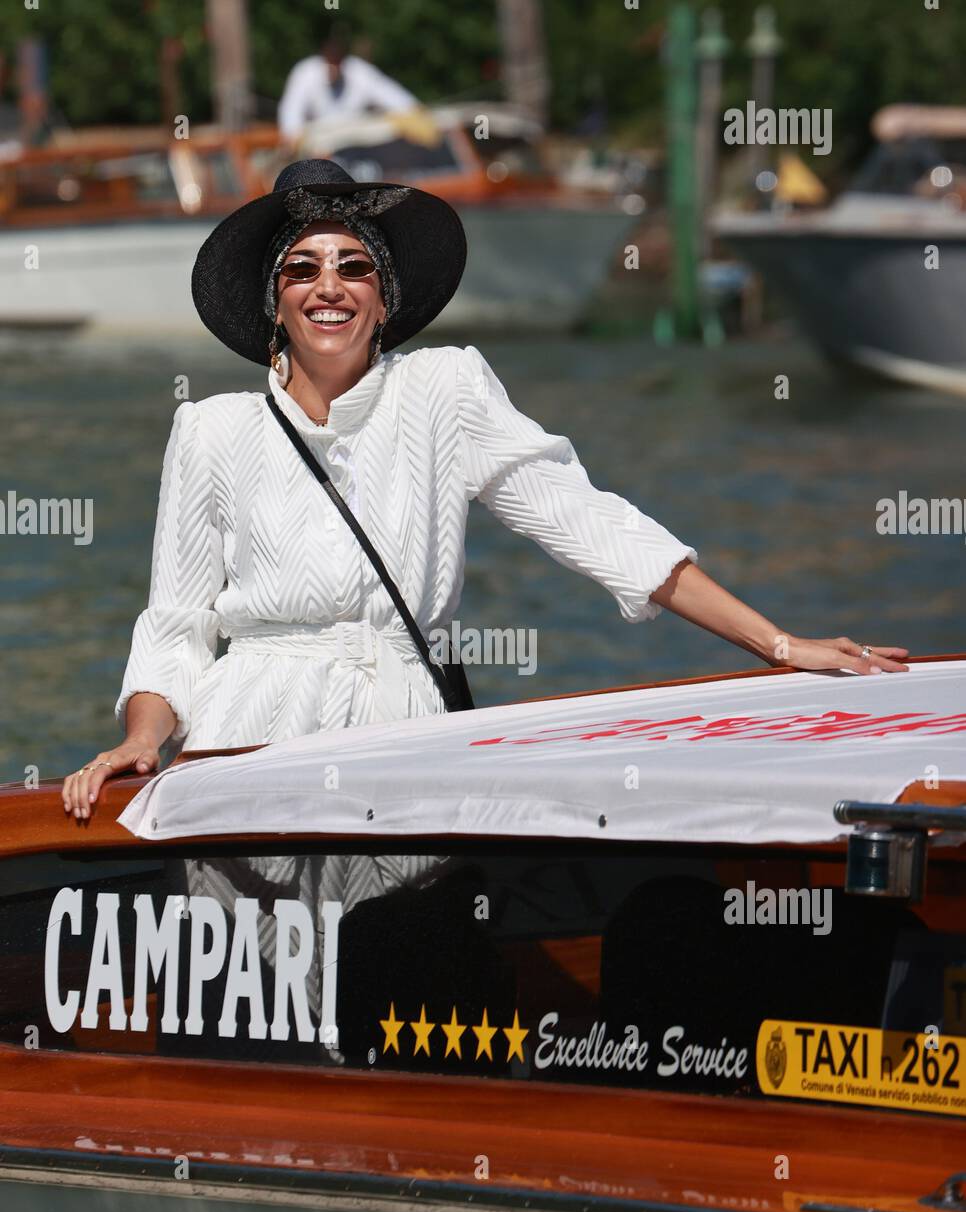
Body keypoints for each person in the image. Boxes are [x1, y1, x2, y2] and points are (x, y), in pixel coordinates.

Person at [62, 155, 908, 822]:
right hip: (241, 741)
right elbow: (175, 627)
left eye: (354, 268)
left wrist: (776, 644)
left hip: (398, 732)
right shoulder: (210, 430)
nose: (329, 287)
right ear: (273, 301)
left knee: (398, 982)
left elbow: (587, 520)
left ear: (383, 299)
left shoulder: (446, 391)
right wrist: (141, 740)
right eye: (302, 270)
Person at [277, 20, 418, 144]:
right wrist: (294, 137)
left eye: (337, 63)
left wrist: (414, 113)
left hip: (355, 149)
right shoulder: (306, 73)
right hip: (317, 151)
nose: (333, 69)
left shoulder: (359, 72)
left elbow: (393, 97)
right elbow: (291, 111)